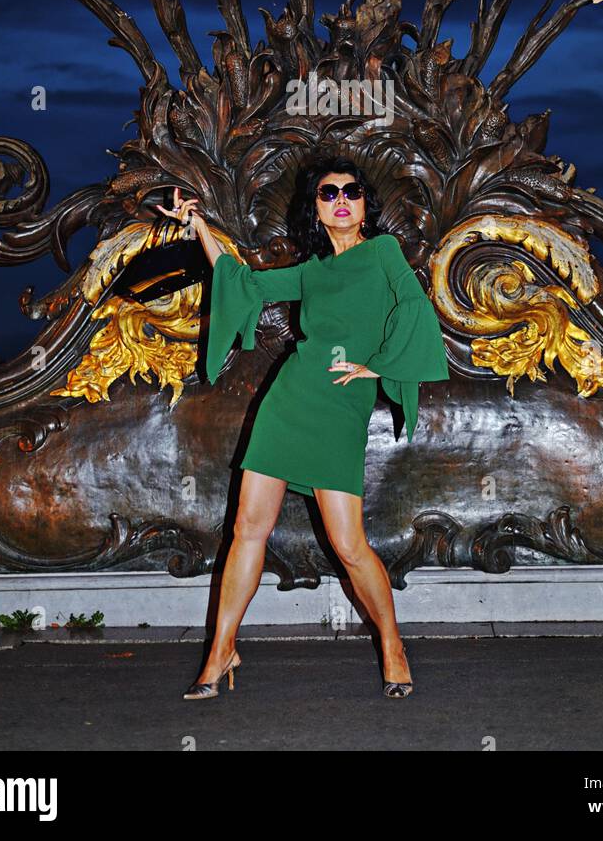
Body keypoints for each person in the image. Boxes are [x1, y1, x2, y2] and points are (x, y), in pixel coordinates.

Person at [155, 154, 450, 700]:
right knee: (247, 529)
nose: (341, 199)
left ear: (365, 206)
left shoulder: (383, 252)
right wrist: (198, 226)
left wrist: (379, 364)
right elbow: (240, 283)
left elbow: (414, 306)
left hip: (340, 407)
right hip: (288, 402)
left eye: (352, 191)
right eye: (327, 192)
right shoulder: (312, 272)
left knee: (350, 544)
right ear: (315, 209)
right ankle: (220, 651)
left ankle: (392, 644)